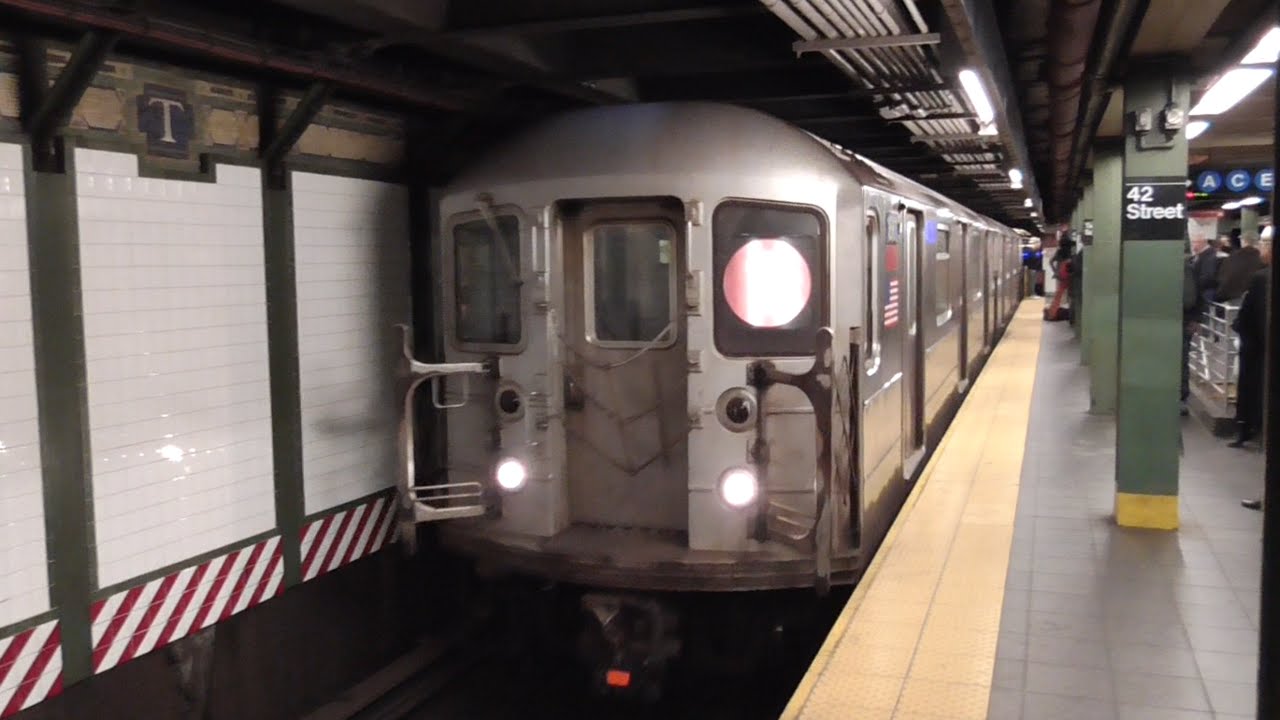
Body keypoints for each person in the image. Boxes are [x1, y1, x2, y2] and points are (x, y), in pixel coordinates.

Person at [1229, 234, 1270, 449]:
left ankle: (1247, 429)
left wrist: (1237, 327)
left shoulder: (1261, 278)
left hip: (1255, 349)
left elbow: (1248, 316)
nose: (1260, 249)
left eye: (1263, 245)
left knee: (1251, 390)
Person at [1182, 236, 1219, 413]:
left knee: (1181, 359)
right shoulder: (1189, 267)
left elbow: (1191, 298)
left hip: (1183, 320)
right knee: (1182, 359)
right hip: (1188, 319)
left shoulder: (1187, 269)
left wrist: (1195, 318)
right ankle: (1181, 396)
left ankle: (1180, 396)